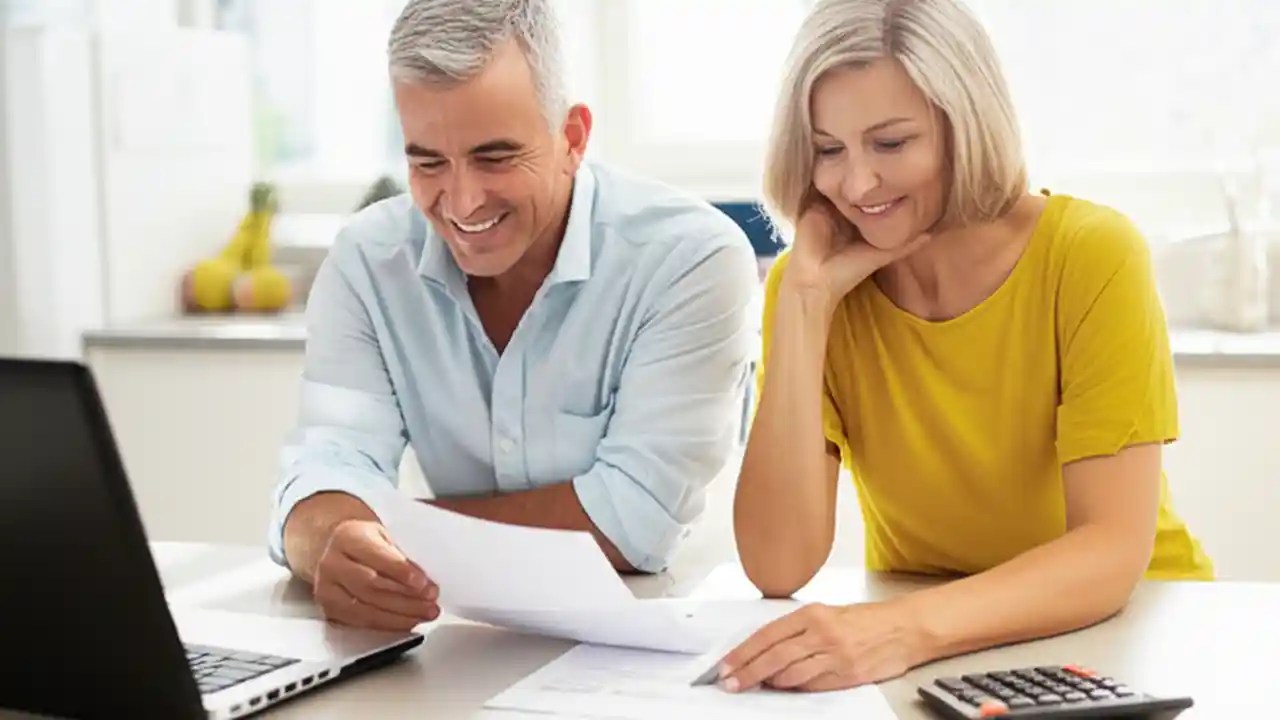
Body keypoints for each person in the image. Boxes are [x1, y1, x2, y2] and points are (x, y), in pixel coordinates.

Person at [720, 0, 1214, 694]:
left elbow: (1108, 553)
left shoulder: (1091, 255)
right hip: (940, 653)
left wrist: (898, 630)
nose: (856, 184)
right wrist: (802, 307)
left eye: (891, 144)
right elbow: (777, 564)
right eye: (829, 149)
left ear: (966, 125)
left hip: (1127, 636)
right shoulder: (815, 292)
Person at [267, 0, 758, 633]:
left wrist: (392, 533)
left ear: (572, 139)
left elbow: (631, 521)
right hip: (459, 645)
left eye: (495, 157)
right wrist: (332, 543)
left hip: (647, 639)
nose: (462, 201)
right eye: (427, 161)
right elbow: (325, 467)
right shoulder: (368, 260)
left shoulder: (689, 257)